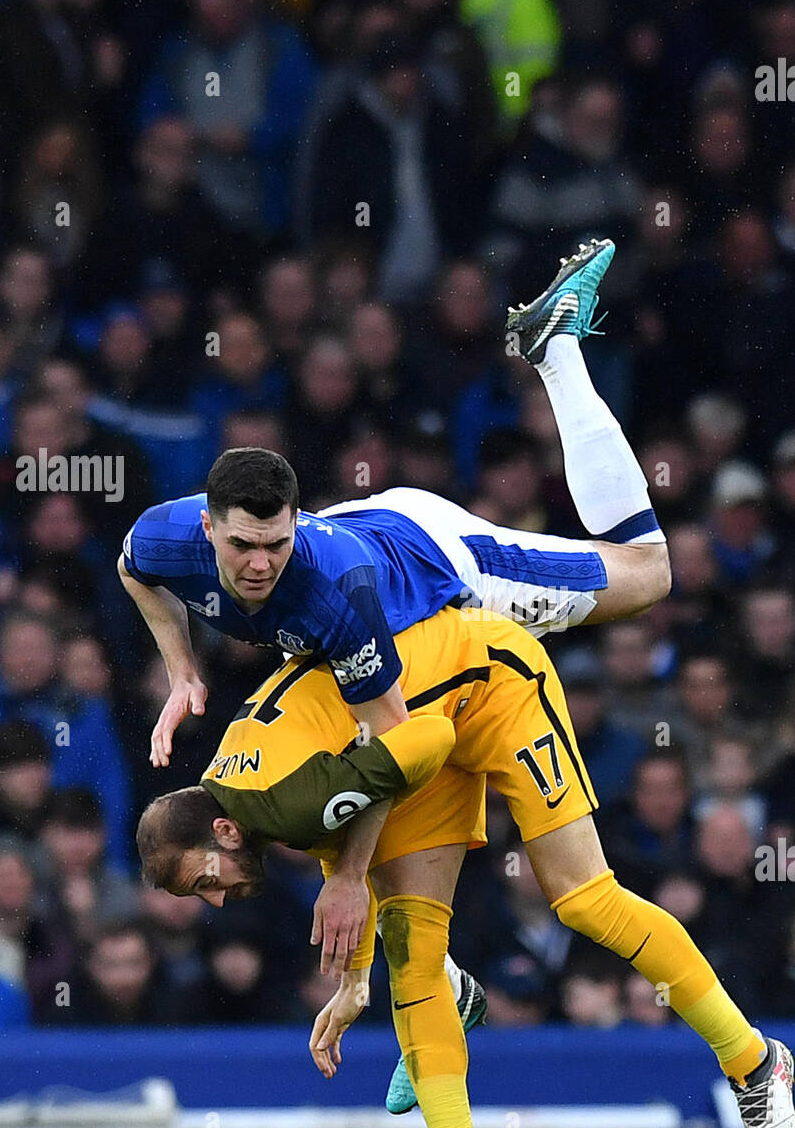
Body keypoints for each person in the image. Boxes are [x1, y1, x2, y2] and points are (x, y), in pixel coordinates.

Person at [136, 602, 795, 1128]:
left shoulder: (278, 802)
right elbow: (348, 810)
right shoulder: (237, 786)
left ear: (223, 831)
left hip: (489, 687)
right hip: (417, 728)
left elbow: (413, 754)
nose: (217, 900)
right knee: (412, 947)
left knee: (582, 897)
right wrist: (355, 981)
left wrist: (348, 881)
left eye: (205, 880)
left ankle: (755, 1063)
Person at [118, 240, 669, 773]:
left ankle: (554, 351)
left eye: (274, 545)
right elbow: (133, 572)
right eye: (242, 545)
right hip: (364, 533)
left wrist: (348, 871)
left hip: (437, 560)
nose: (259, 564)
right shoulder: (161, 537)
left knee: (648, 574)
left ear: (293, 527)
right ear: (207, 527)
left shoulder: (333, 596)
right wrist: (182, 671)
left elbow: (395, 746)